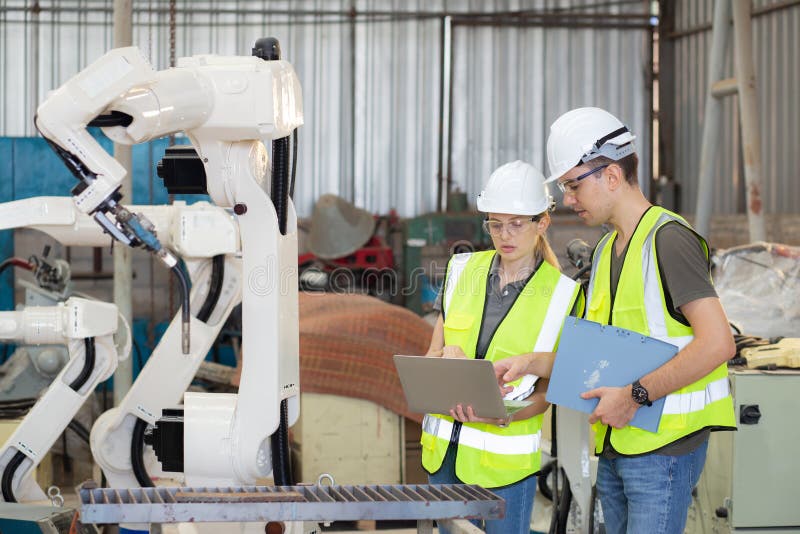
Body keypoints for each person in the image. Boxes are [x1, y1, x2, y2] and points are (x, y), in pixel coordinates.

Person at [495, 107, 736, 534]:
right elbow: (596, 358)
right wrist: (531, 363)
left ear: (610, 175)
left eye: (573, 185)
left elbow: (718, 343)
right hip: (617, 443)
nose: (568, 199)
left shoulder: (669, 239)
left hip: (664, 449)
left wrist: (636, 395)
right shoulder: (606, 250)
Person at [421, 160, 582, 534]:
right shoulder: (461, 270)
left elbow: (549, 393)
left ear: (542, 223)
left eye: (516, 224)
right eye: (495, 224)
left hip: (505, 467)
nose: (504, 235)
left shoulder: (563, 295)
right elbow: (431, 356)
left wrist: (508, 416)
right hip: (443, 458)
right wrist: (445, 356)